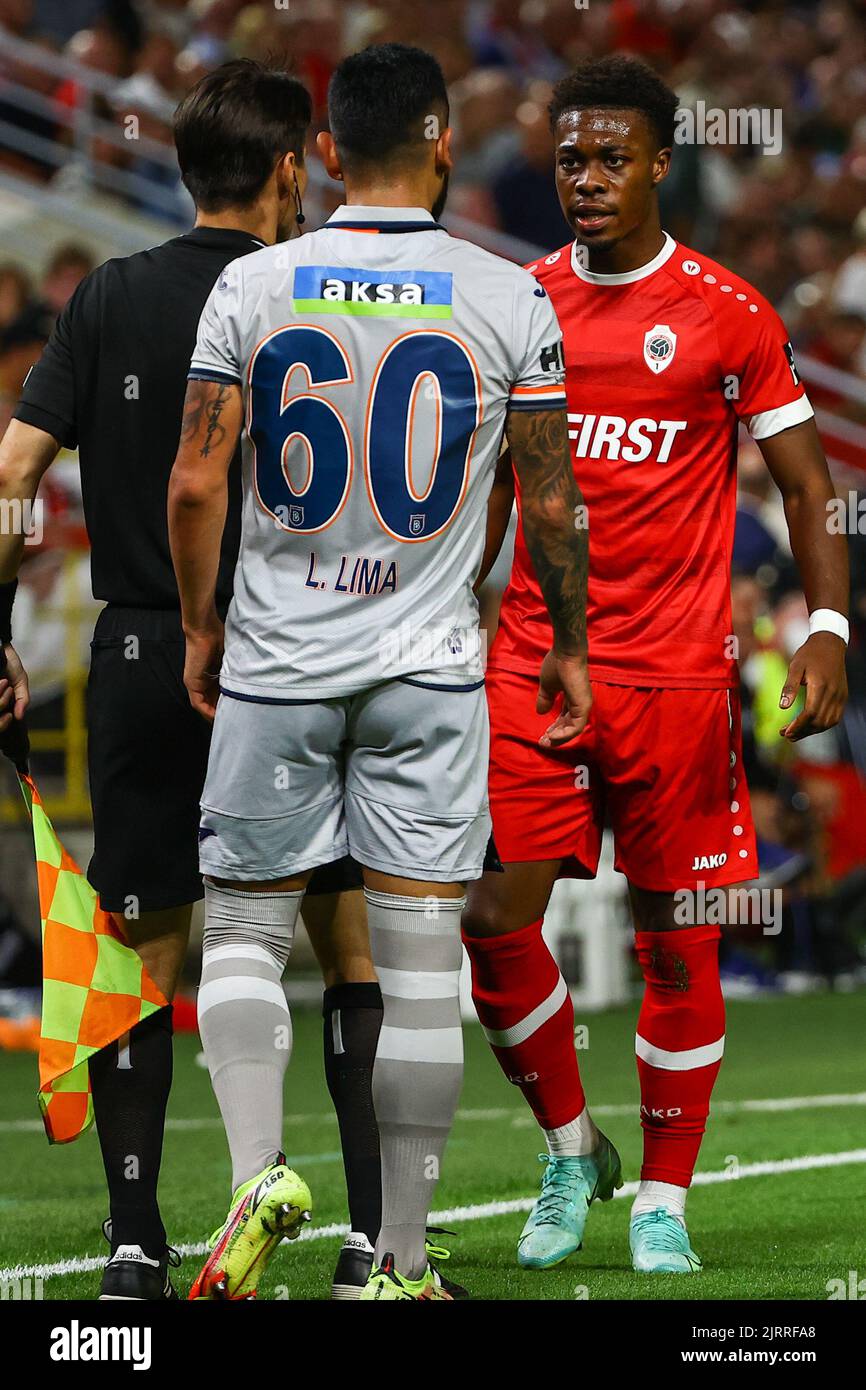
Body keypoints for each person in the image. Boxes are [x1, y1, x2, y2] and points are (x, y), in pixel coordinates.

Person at [168, 41, 591, 1303]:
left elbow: (197, 477)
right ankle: (396, 1262)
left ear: (328, 155)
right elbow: (551, 500)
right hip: (429, 670)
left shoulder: (256, 284)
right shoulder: (508, 296)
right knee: (417, 961)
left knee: (241, 929)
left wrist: (202, 624)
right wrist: (561, 641)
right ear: (445, 141)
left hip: (280, 661)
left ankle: (258, 1178)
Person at [0, 59, 382, 1301]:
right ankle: (373, 1243)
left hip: (140, 651)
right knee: (346, 941)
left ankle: (129, 1246)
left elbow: (13, 472)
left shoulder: (109, 294)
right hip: (301, 647)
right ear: (290, 167)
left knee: (144, 956)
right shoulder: (324, 293)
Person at [465, 55, 849, 1276]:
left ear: (660, 165)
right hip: (531, 659)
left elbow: (804, 482)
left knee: (676, 940)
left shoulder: (728, 312)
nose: (584, 180)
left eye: (609, 159)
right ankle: (572, 1146)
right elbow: (485, 485)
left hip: (679, 677)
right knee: (490, 918)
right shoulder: (520, 300)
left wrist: (826, 631)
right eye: (568, 159)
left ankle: (665, 1196)